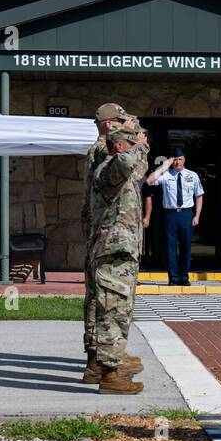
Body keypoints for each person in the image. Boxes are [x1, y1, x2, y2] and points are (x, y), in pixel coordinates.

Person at [83, 127, 148, 393]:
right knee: (112, 312)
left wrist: (139, 148)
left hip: (118, 252)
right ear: (120, 147)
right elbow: (127, 161)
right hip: (112, 254)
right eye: (131, 144)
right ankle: (110, 376)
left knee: (116, 311)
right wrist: (141, 146)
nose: (137, 147)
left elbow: (135, 167)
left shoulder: (115, 170)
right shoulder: (109, 169)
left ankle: (105, 367)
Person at [145, 148, 203, 286]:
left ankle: (184, 277)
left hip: (186, 214)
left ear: (184, 160)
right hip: (170, 215)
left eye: (180, 159)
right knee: (170, 247)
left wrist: (197, 215)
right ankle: (173, 278)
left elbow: (199, 195)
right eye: (175, 159)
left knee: (186, 246)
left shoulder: (192, 175)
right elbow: (150, 181)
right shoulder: (165, 175)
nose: (177, 162)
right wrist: (164, 166)